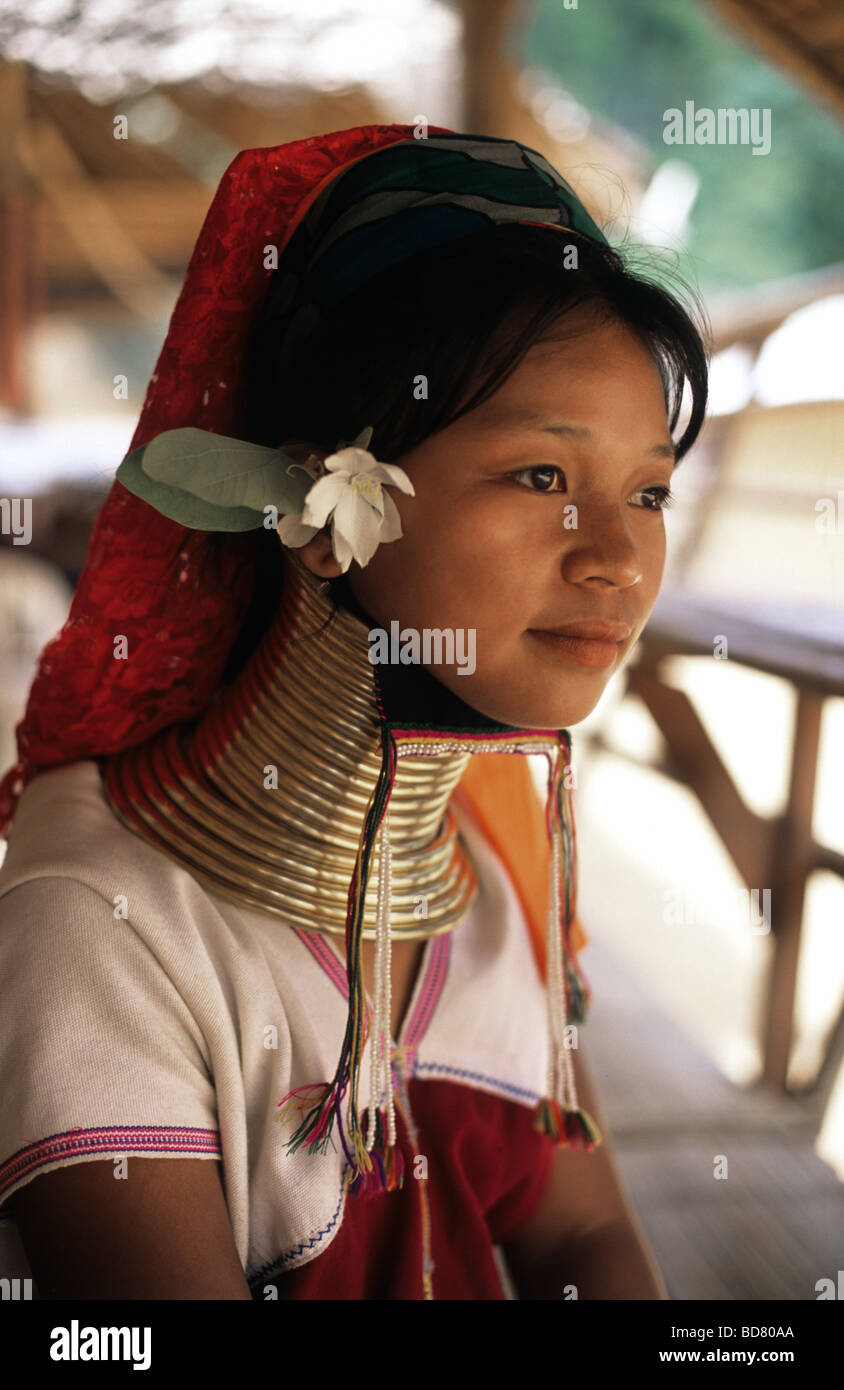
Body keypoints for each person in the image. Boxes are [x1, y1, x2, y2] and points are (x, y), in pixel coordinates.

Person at [0, 124, 707, 1300]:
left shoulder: (487, 870)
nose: (622, 559)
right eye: (543, 476)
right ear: (320, 502)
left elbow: (582, 1240)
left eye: (649, 490)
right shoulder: (98, 926)